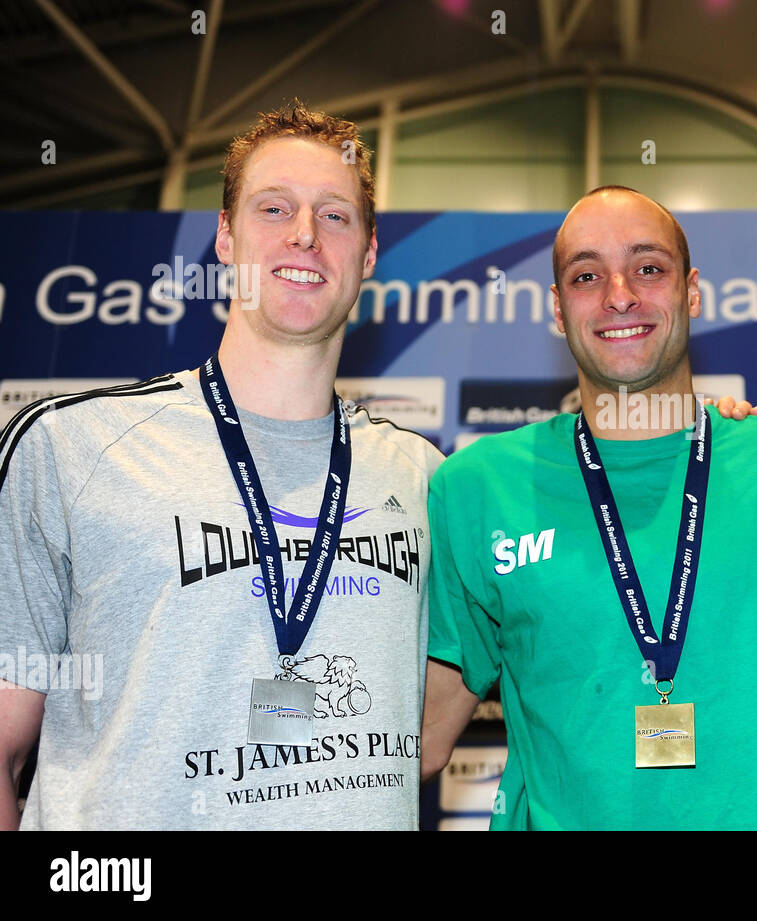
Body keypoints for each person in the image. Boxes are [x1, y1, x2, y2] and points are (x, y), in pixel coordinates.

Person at [0, 100, 442, 830]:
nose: (304, 234)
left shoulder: (423, 478)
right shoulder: (69, 449)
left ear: (367, 256)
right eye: (274, 208)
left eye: (335, 215)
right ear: (226, 237)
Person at [419, 186, 757, 830]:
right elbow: (415, 743)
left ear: (692, 291)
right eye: (586, 275)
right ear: (557, 309)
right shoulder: (477, 488)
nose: (618, 294)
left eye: (648, 268)